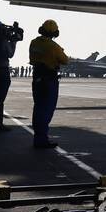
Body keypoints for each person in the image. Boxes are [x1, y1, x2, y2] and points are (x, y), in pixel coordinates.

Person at [28, 19, 69, 149]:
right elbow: (65, 60)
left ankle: (38, 137)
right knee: (47, 109)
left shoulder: (33, 43)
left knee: (38, 107)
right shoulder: (53, 46)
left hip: (37, 78)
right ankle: (42, 139)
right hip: (49, 80)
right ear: (55, 32)